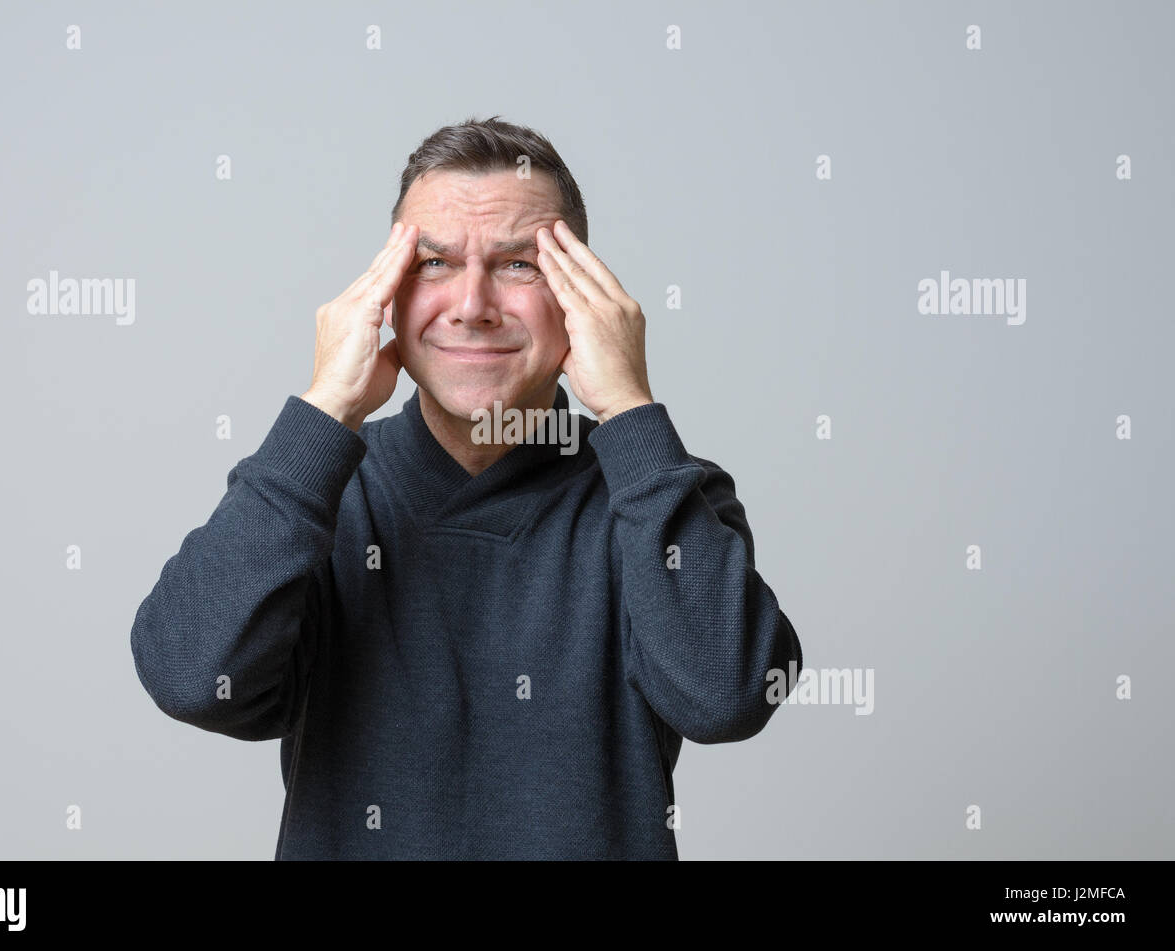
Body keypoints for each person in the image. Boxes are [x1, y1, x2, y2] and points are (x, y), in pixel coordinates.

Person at [130, 115, 803, 860]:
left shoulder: (659, 493)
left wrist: (630, 411)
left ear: (584, 299)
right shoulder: (318, 490)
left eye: (519, 264)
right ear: (385, 292)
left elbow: (730, 696)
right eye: (435, 264)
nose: (473, 305)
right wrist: (323, 410)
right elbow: (192, 675)